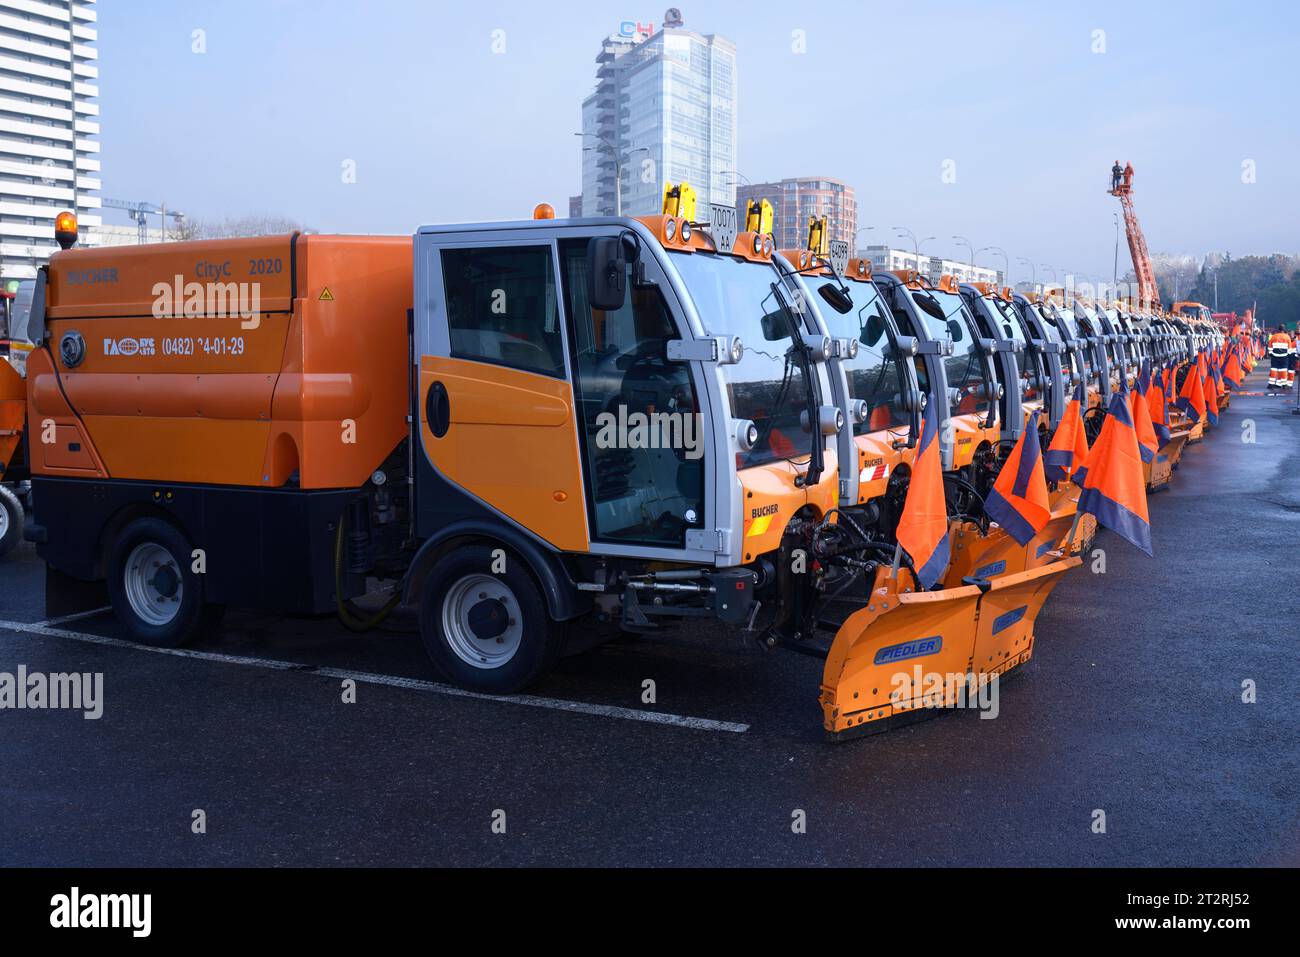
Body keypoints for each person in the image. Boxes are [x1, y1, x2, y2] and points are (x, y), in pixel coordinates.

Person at [1267, 324, 1293, 391]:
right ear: (1284, 330)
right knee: (1283, 370)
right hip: (1284, 356)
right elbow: (1289, 348)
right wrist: (1288, 355)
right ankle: (1284, 384)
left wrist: (1271, 354)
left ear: (1278, 329)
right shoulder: (1287, 337)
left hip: (1274, 356)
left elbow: (1270, 346)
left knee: (1273, 369)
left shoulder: (1273, 336)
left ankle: (1271, 384)